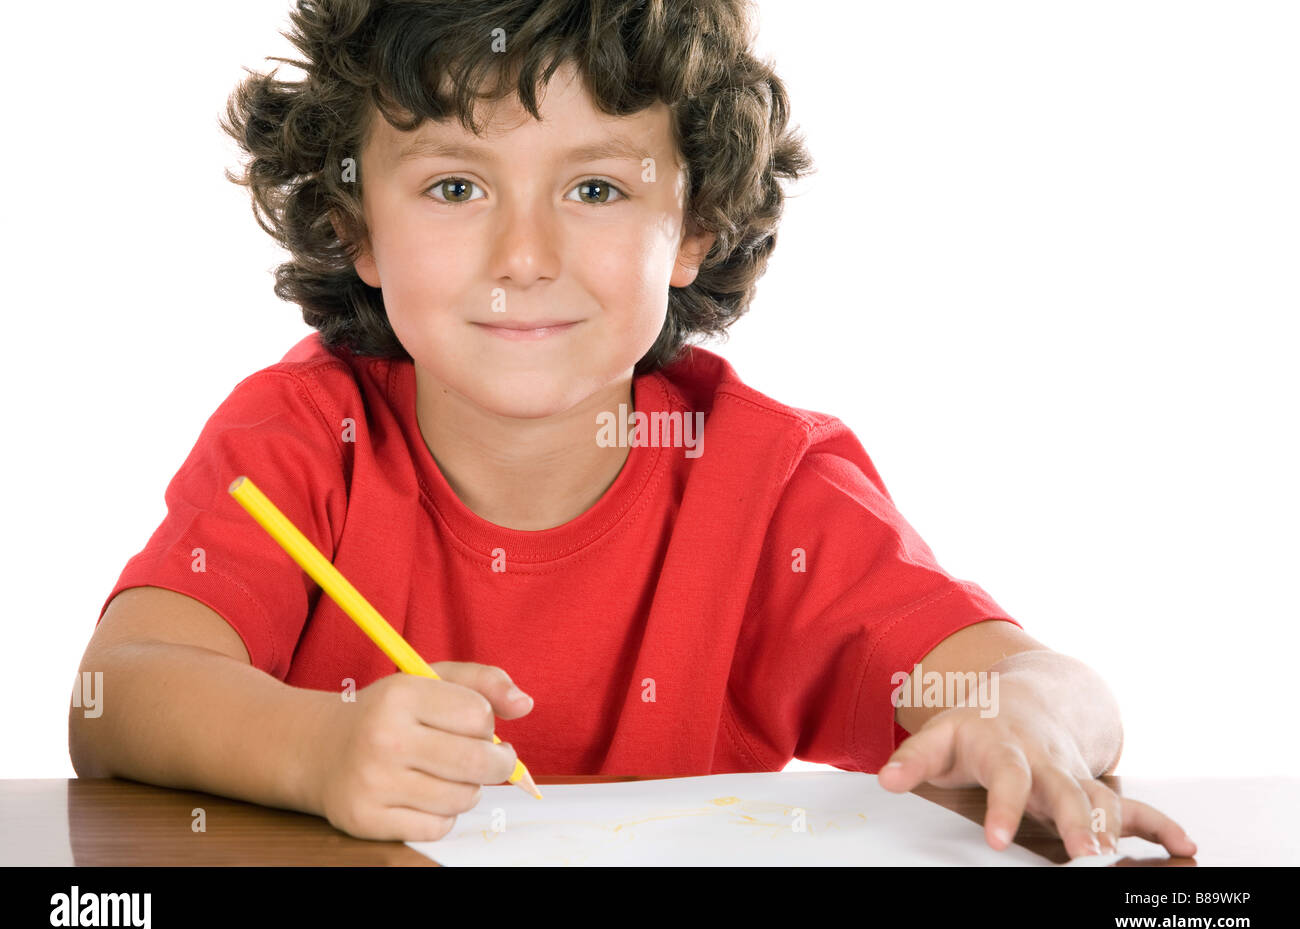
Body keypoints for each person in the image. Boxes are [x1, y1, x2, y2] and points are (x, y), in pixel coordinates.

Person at [71, 0, 1194, 859]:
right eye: (455, 188)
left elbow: (1048, 686)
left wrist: (1024, 720)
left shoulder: (768, 481)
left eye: (597, 190)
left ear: (696, 225)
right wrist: (316, 749)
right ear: (352, 222)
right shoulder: (307, 432)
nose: (525, 255)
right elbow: (114, 693)